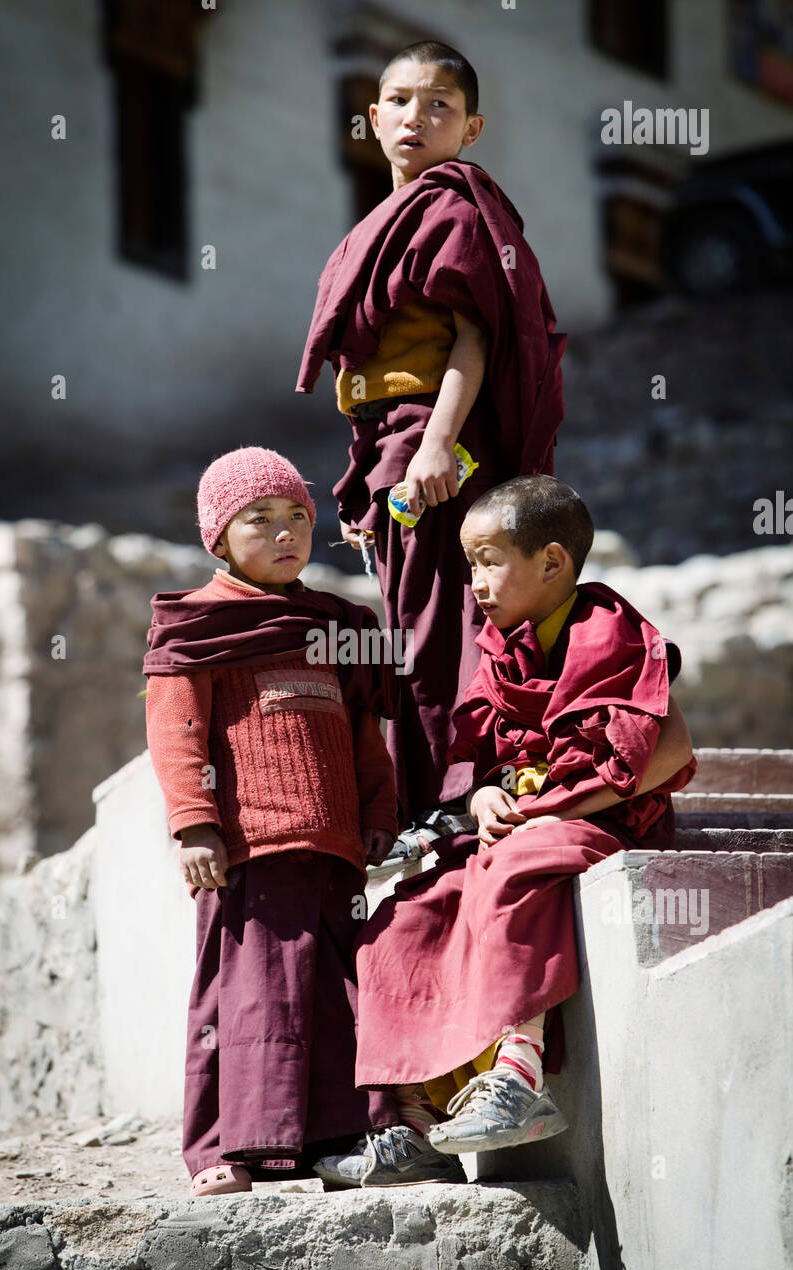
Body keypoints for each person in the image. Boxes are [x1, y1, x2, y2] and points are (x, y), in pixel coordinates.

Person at [314, 477, 697, 1188]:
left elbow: (665, 752)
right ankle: (417, 1123)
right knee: (407, 913)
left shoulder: (610, 634)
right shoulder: (505, 646)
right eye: (469, 564)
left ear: (552, 563)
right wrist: (489, 792)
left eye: (490, 560)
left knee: (514, 867)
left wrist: (552, 810)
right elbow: (494, 762)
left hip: (602, 823)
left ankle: (518, 1078)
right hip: (525, 823)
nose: (476, 582)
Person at [142, 447, 466, 1195]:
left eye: (298, 518)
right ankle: (221, 1152)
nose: (285, 533)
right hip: (248, 849)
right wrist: (195, 826)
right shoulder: (196, 629)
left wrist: (380, 815)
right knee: (243, 997)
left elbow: (366, 734)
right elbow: (176, 734)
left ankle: (340, 1143)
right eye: (260, 520)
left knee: (336, 999)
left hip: (336, 849)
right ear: (218, 538)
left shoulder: (331, 624)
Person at [297, 40, 566, 834]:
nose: (419, 117)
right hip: (392, 450)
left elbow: (473, 341)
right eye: (402, 102)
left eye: (441, 105)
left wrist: (437, 445)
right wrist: (362, 481)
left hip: (439, 446)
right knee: (410, 610)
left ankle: (462, 787)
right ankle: (430, 795)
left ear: (471, 128)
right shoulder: (379, 221)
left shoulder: (454, 206)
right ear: (374, 118)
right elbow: (363, 372)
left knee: (446, 610)